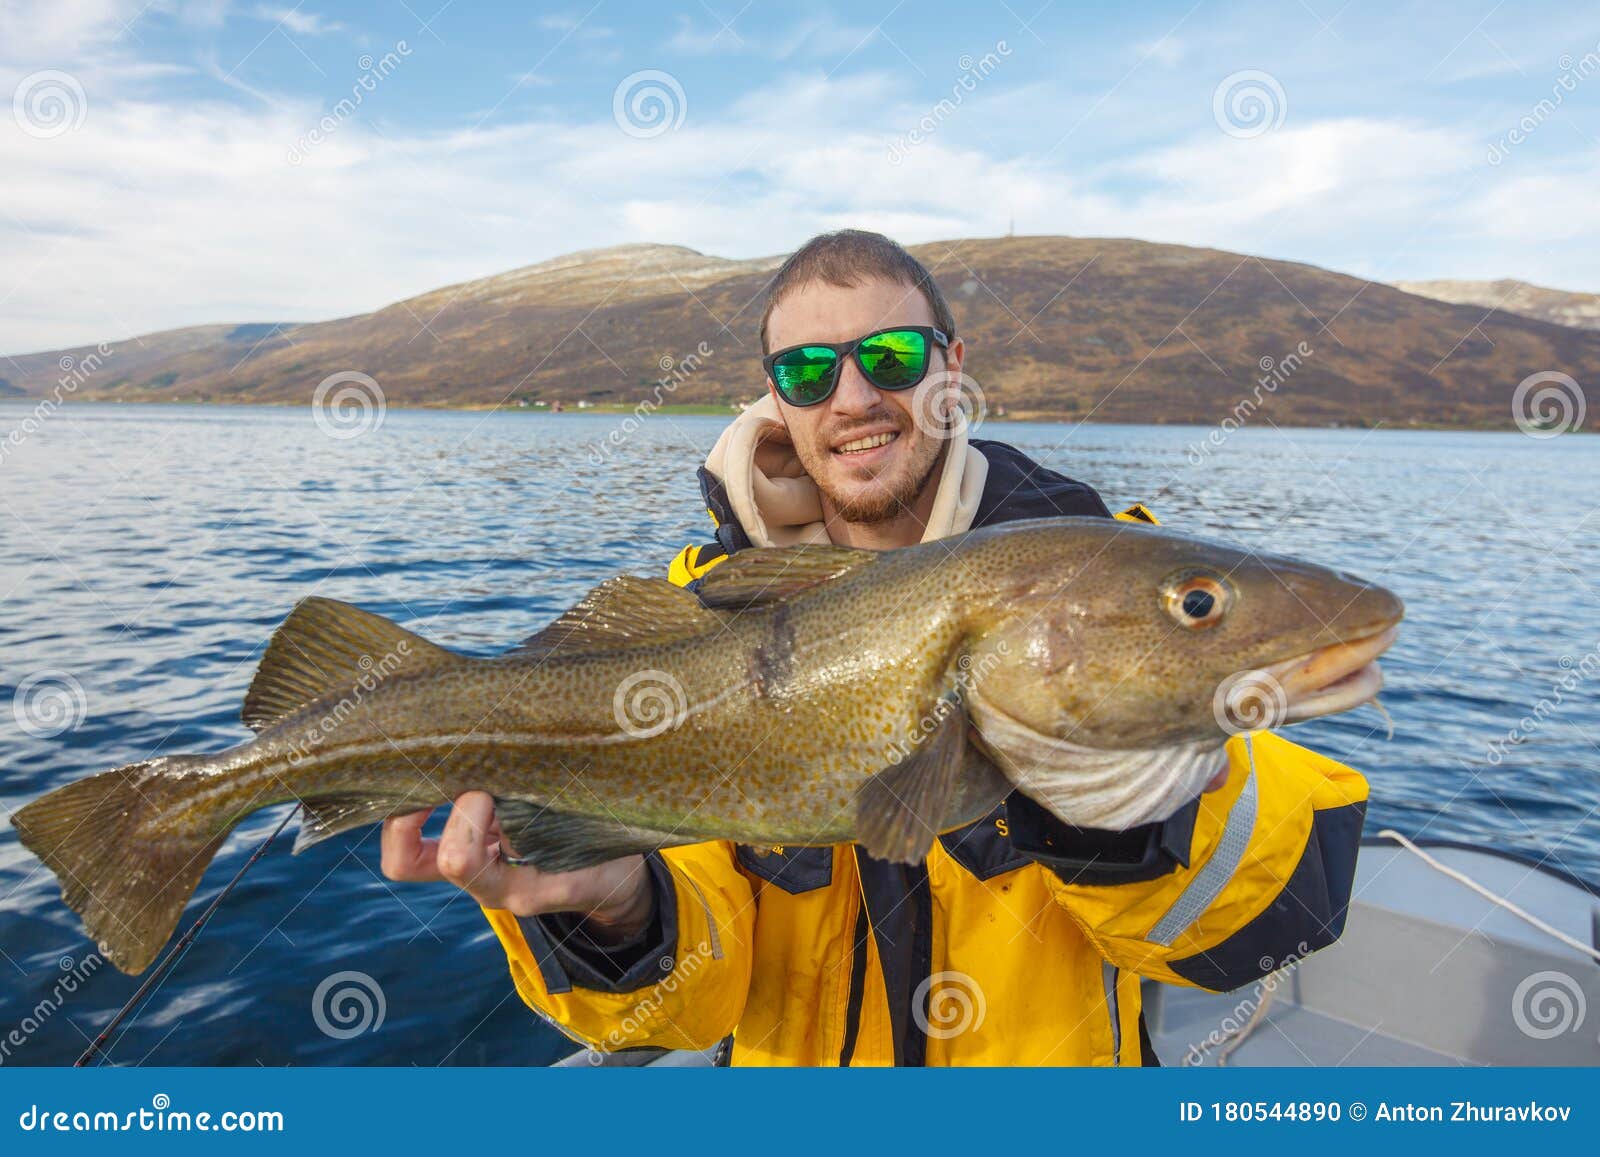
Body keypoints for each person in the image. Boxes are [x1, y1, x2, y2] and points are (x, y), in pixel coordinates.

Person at [381, 230, 1369, 1066]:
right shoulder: (695, 624)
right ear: (776, 399)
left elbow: (1262, 923)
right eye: (807, 370)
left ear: (949, 365)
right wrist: (610, 905)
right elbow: (681, 1013)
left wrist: (1118, 805)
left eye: (891, 355)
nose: (851, 395)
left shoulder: (1112, 582)